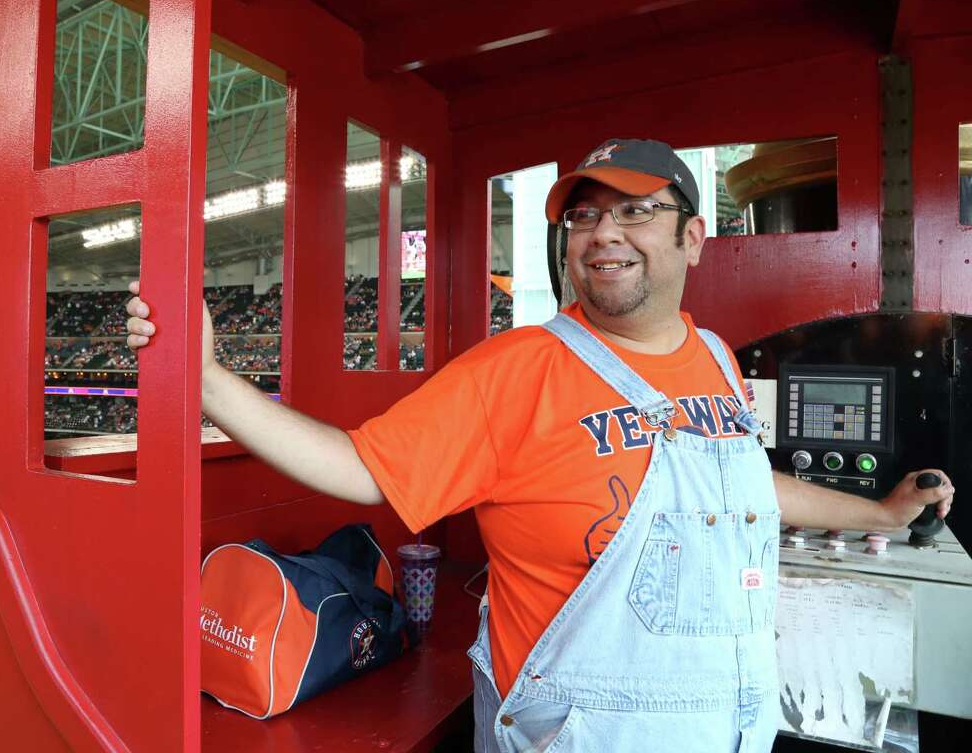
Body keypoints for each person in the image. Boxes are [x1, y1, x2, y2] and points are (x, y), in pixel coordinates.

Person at [125, 138, 955, 753]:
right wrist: (208, 383)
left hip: (727, 726)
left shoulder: (714, 361)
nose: (603, 233)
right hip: (579, 735)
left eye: (635, 210)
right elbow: (357, 468)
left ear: (694, 238)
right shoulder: (517, 368)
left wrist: (877, 509)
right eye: (584, 216)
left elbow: (745, 487)